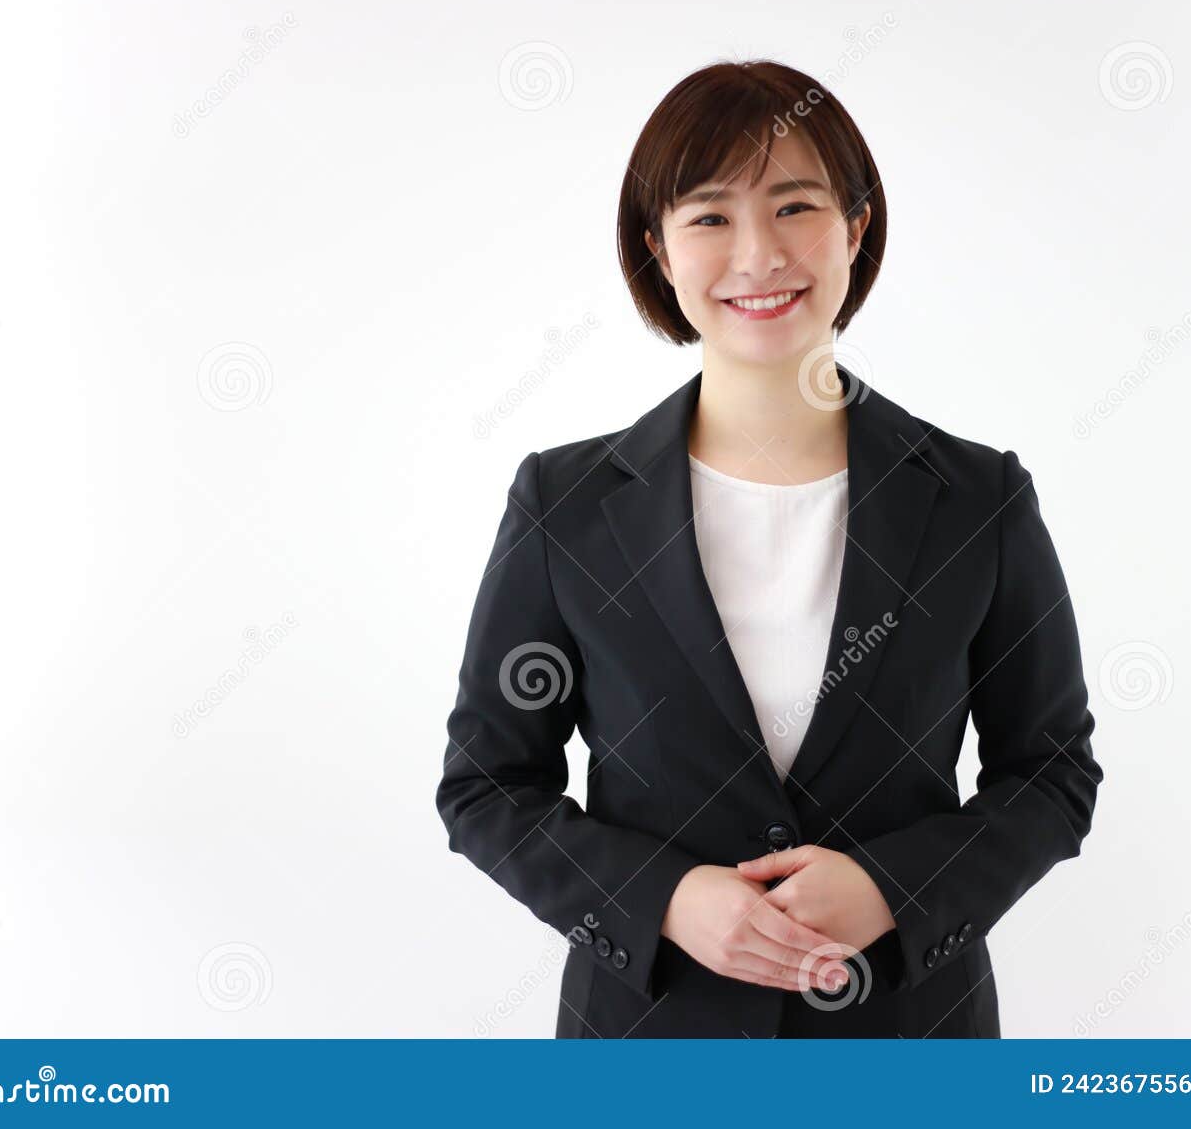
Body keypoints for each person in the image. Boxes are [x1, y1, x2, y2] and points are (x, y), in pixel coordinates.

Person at [436, 59, 1104, 1038]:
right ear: (658, 248)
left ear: (854, 229)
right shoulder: (565, 505)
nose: (758, 254)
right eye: (709, 217)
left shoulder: (975, 498)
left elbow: (1050, 772)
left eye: (795, 206)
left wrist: (889, 888)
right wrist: (664, 899)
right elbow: (487, 784)